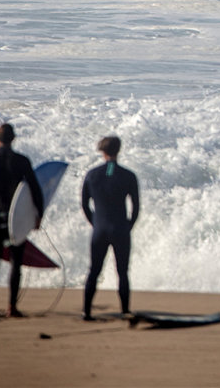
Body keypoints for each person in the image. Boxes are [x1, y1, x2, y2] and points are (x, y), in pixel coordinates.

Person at [0, 122, 44, 318]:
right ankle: (12, 307)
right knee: (16, 262)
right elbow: (35, 190)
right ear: (13, 139)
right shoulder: (21, 161)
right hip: (16, 218)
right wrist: (38, 215)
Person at [81, 135, 140, 321]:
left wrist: (95, 222)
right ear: (118, 150)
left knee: (94, 270)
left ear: (102, 151)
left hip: (100, 229)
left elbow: (84, 203)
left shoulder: (92, 174)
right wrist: (128, 225)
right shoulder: (129, 175)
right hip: (120, 228)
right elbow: (136, 207)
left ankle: (87, 312)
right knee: (122, 271)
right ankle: (124, 311)